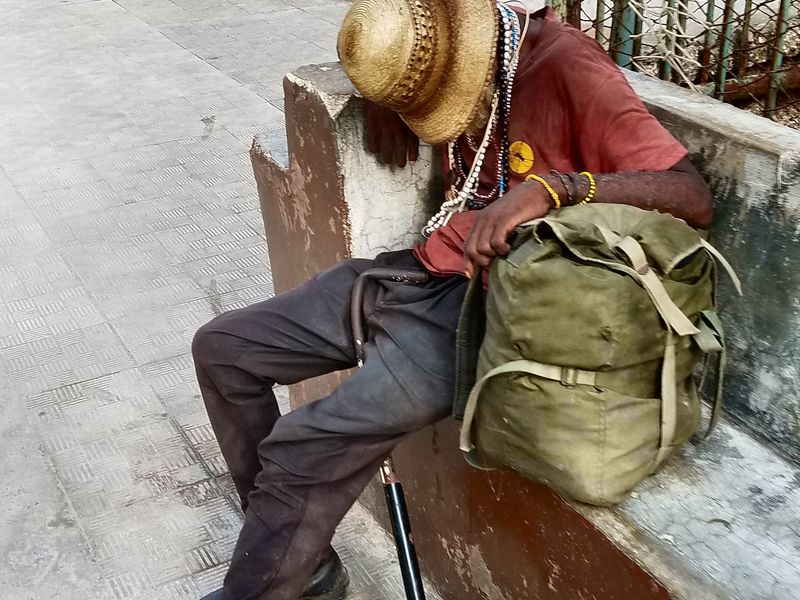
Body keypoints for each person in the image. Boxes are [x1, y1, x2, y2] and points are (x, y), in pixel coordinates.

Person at [193, 0, 713, 598]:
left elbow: (691, 194)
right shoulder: (433, 60)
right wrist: (397, 99)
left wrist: (555, 190)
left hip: (489, 310)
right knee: (224, 349)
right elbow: (410, 61)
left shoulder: (566, 66)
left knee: (304, 448)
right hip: (418, 273)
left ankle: (263, 584)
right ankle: (297, 562)